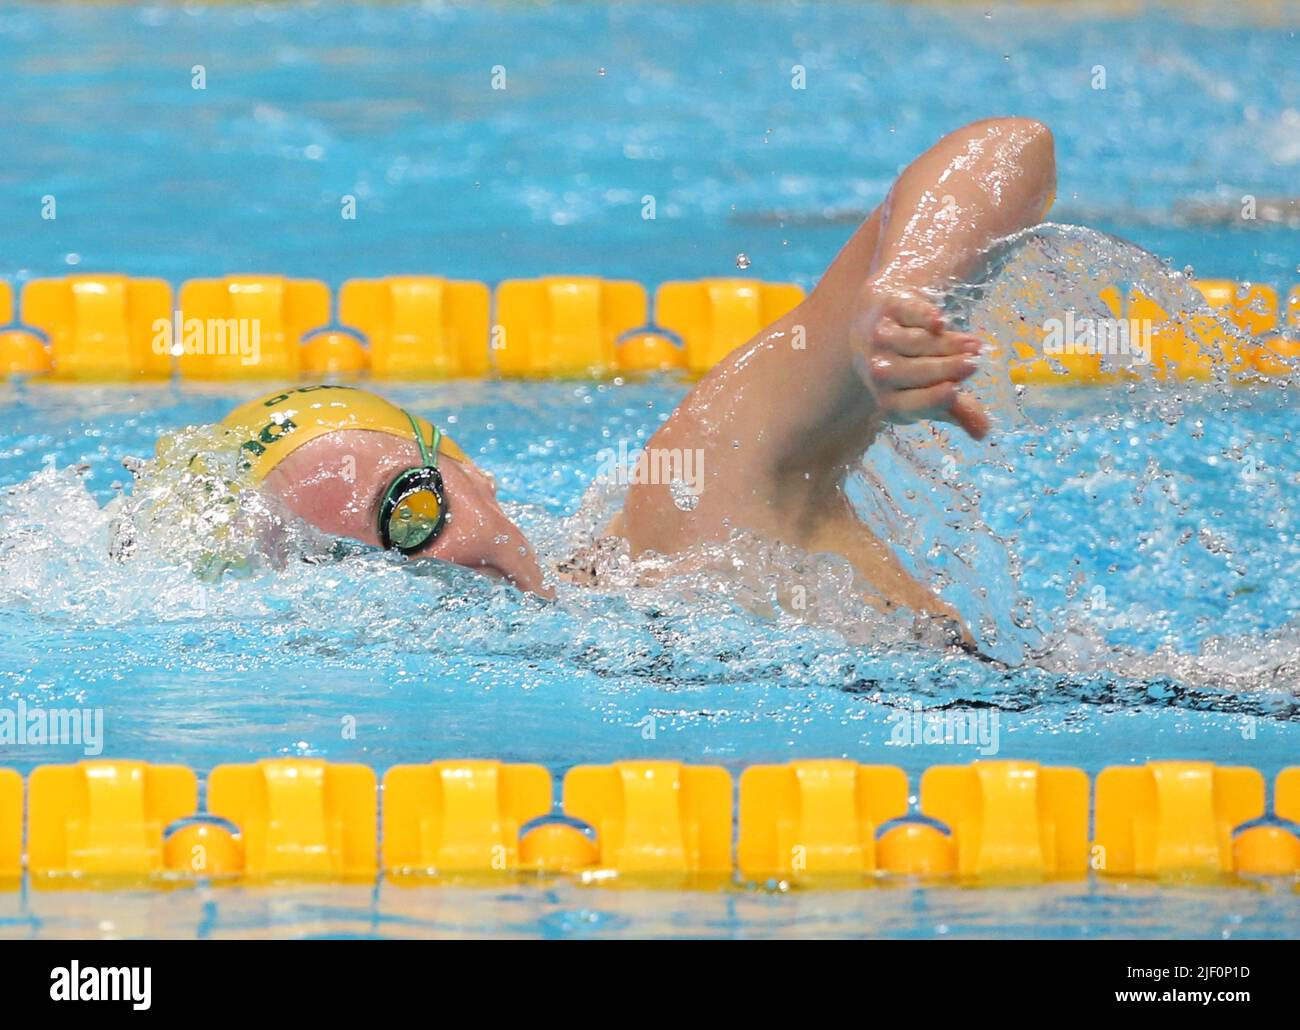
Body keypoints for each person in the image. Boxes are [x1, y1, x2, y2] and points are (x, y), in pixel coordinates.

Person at [210, 117, 1056, 630]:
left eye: (413, 511)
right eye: (343, 570)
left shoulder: (690, 523)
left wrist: (901, 291)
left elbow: (1010, 149)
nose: (418, 572)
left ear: (473, 473)